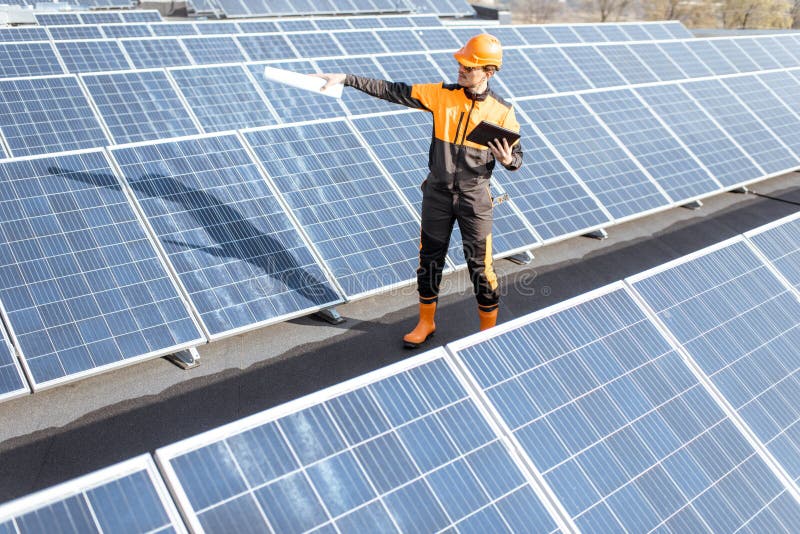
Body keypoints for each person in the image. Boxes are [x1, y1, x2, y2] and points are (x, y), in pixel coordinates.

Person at [316, 34, 523, 348]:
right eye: (460, 62)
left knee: (481, 269)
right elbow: (393, 90)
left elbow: (517, 157)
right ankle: (426, 321)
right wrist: (346, 79)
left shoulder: (503, 112)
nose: (460, 69)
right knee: (429, 261)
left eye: (469, 66)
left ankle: (488, 331)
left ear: (488, 72)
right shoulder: (441, 95)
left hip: (475, 200)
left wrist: (508, 160)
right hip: (437, 196)